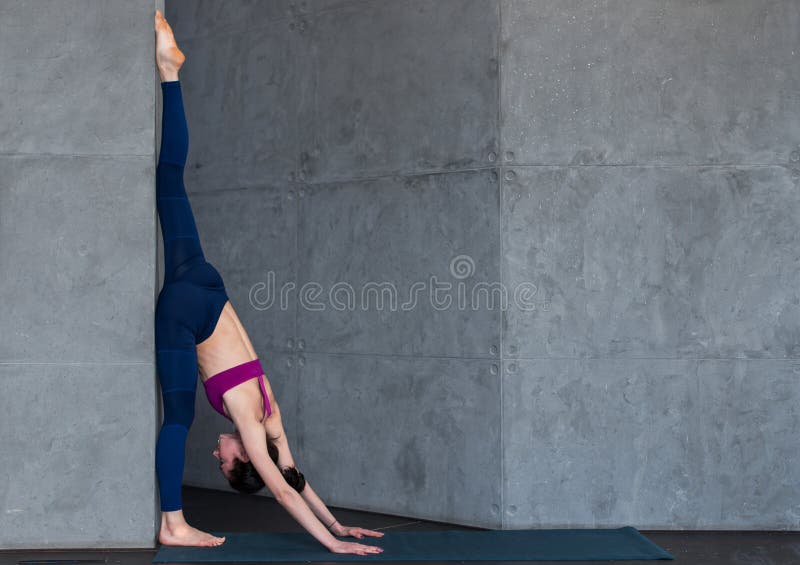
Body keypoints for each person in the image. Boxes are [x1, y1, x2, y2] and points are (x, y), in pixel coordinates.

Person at [153, 10, 384, 556]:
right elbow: (282, 488)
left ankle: (170, 72)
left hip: (210, 285)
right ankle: (173, 523)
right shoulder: (253, 429)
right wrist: (333, 545)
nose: (218, 455)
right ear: (243, 463)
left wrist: (339, 525)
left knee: (171, 178)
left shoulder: (272, 416)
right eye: (225, 463)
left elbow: (295, 475)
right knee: (178, 417)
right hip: (188, 311)